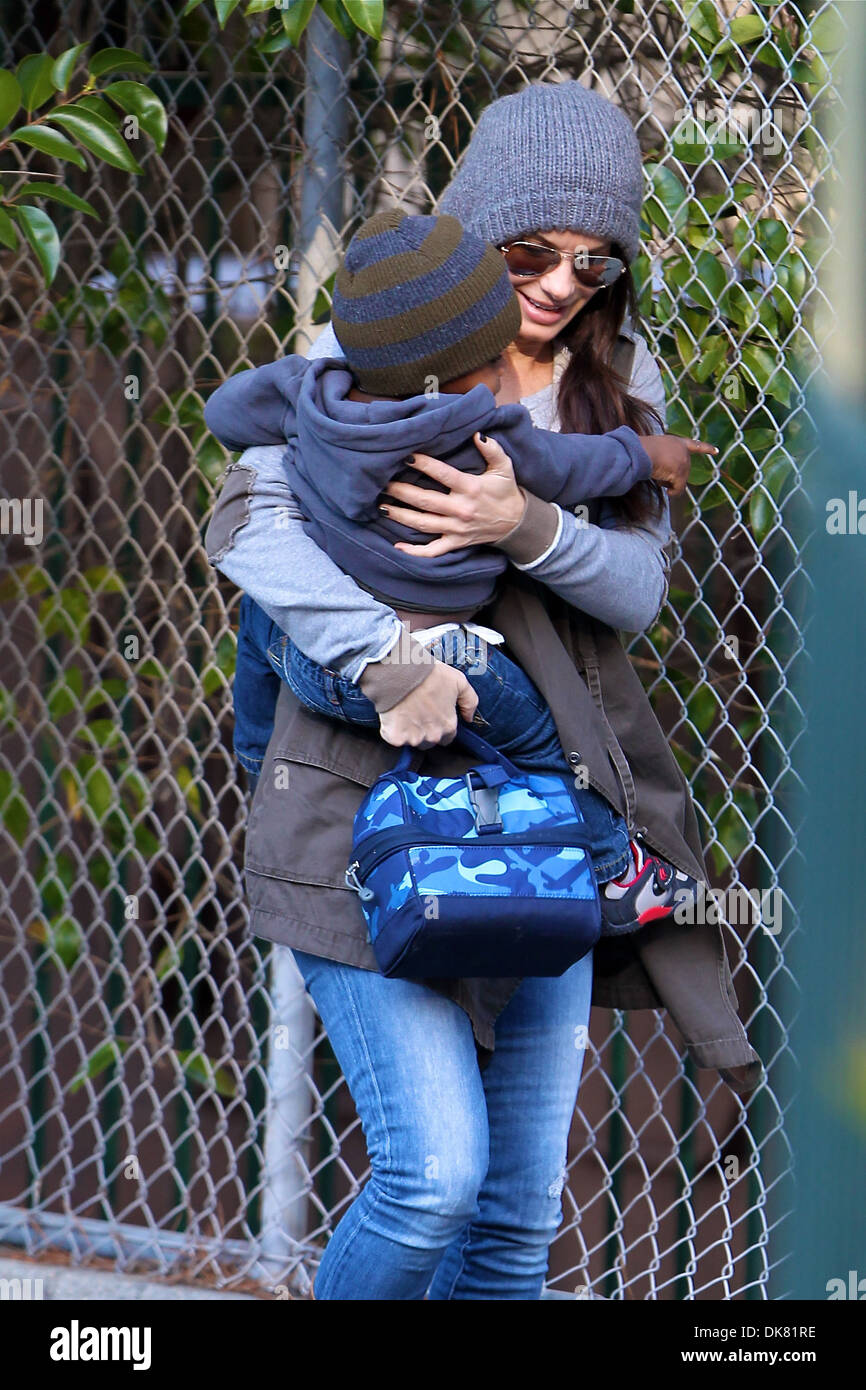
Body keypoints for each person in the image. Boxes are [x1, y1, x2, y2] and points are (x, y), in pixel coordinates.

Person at [204, 81, 762, 1300]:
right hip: (361, 810)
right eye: (531, 255)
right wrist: (383, 656)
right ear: (477, 234)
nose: (563, 285)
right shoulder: (372, 350)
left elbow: (636, 590)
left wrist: (520, 524)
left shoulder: (617, 378)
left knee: (512, 1221)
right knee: (429, 1181)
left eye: (594, 262)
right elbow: (246, 526)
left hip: (535, 822)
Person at [204, 206, 713, 931]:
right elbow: (571, 463)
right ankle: (614, 869)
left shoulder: (308, 395)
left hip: (322, 661)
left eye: (593, 263)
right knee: (547, 740)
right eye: (493, 358)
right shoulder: (474, 429)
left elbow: (227, 413)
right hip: (439, 652)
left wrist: (300, 406)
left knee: (260, 622)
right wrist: (645, 454)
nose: (506, 369)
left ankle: (259, 764)